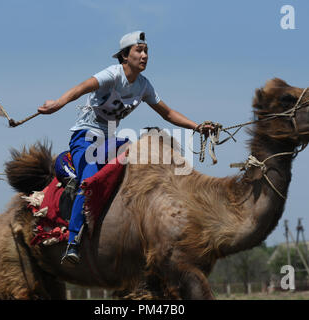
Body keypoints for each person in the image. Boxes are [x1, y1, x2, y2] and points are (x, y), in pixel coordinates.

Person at [38, 31, 214, 264]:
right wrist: (57, 104)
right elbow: (82, 87)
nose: (144, 55)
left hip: (110, 141)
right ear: (124, 56)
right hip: (85, 137)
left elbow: (168, 113)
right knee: (89, 177)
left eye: (146, 51)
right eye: (139, 51)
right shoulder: (112, 75)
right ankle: (73, 241)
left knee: (136, 150)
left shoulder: (144, 86)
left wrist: (197, 126)